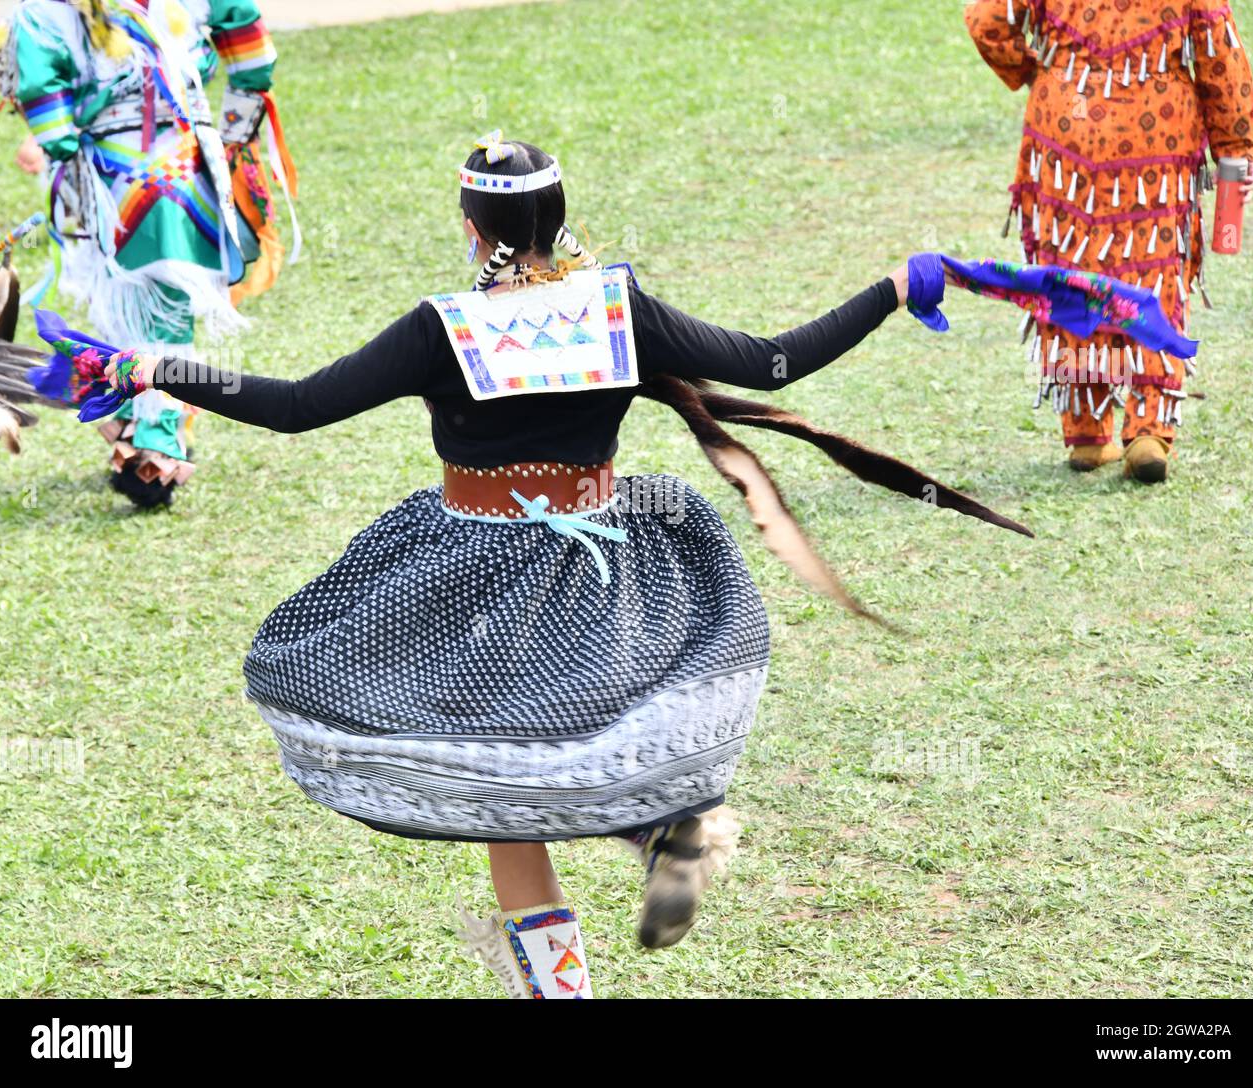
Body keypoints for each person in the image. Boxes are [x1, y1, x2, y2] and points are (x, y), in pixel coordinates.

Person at [90, 132, 1026, 998]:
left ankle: (560, 986)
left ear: (471, 226)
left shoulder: (442, 328)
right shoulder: (619, 307)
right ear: (557, 213)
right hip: (608, 562)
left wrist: (156, 369)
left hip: (474, 575)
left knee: (507, 795)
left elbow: (295, 405)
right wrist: (894, 288)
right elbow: (776, 364)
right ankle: (664, 829)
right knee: (586, 735)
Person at [5, 0, 291, 506]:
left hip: (121, 176)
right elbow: (247, 42)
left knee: (150, 306)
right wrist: (235, 123)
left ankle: (151, 434)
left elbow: (42, 94)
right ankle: (141, 425)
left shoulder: (45, 13)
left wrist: (58, 142)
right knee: (155, 306)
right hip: (177, 168)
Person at [966, 0, 1253, 482]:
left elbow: (986, 21)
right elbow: (1220, 58)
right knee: (1155, 272)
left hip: (1064, 123)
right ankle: (1148, 430)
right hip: (1156, 131)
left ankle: (1086, 431)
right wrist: (1237, 147)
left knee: (1071, 267)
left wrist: (1043, 72)